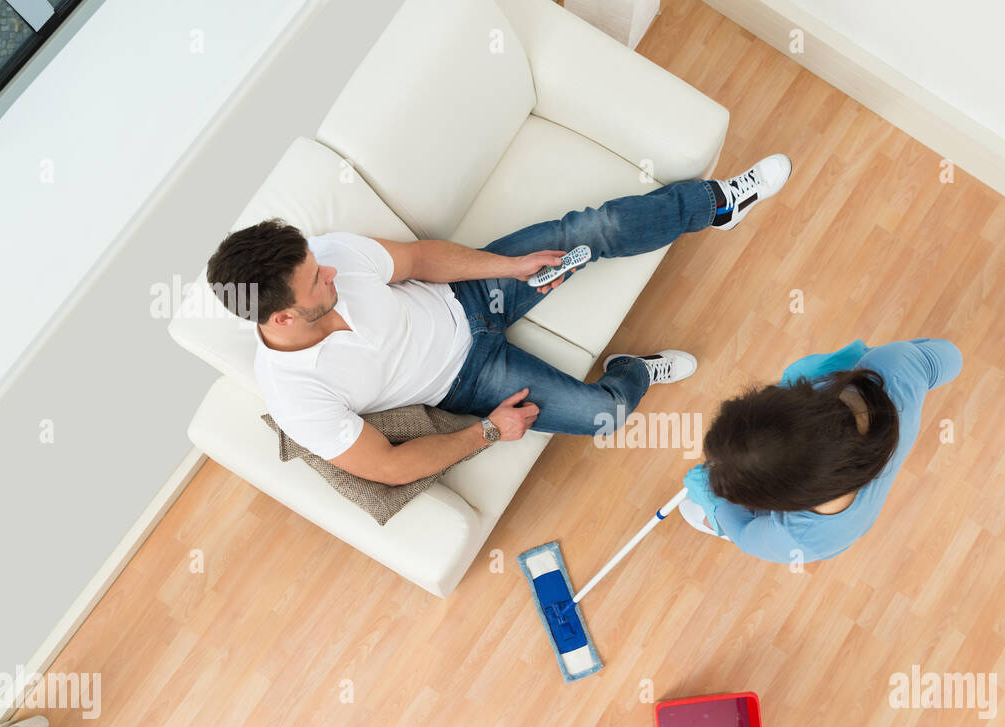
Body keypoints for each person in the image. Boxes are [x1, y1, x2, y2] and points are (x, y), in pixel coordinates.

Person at [204, 155, 793, 486]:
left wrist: (508, 266)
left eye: (320, 264)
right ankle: (632, 369)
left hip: (471, 294)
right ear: (282, 316)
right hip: (470, 382)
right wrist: (488, 431)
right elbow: (385, 465)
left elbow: (418, 259)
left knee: (594, 231)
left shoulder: (329, 255)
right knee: (604, 414)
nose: (330, 272)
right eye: (317, 282)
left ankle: (716, 203)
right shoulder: (295, 394)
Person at [680, 338, 962, 563]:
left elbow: (743, 534)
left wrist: (715, 504)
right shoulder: (895, 365)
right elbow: (951, 357)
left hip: (821, 534)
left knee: (696, 508)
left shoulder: (800, 539)